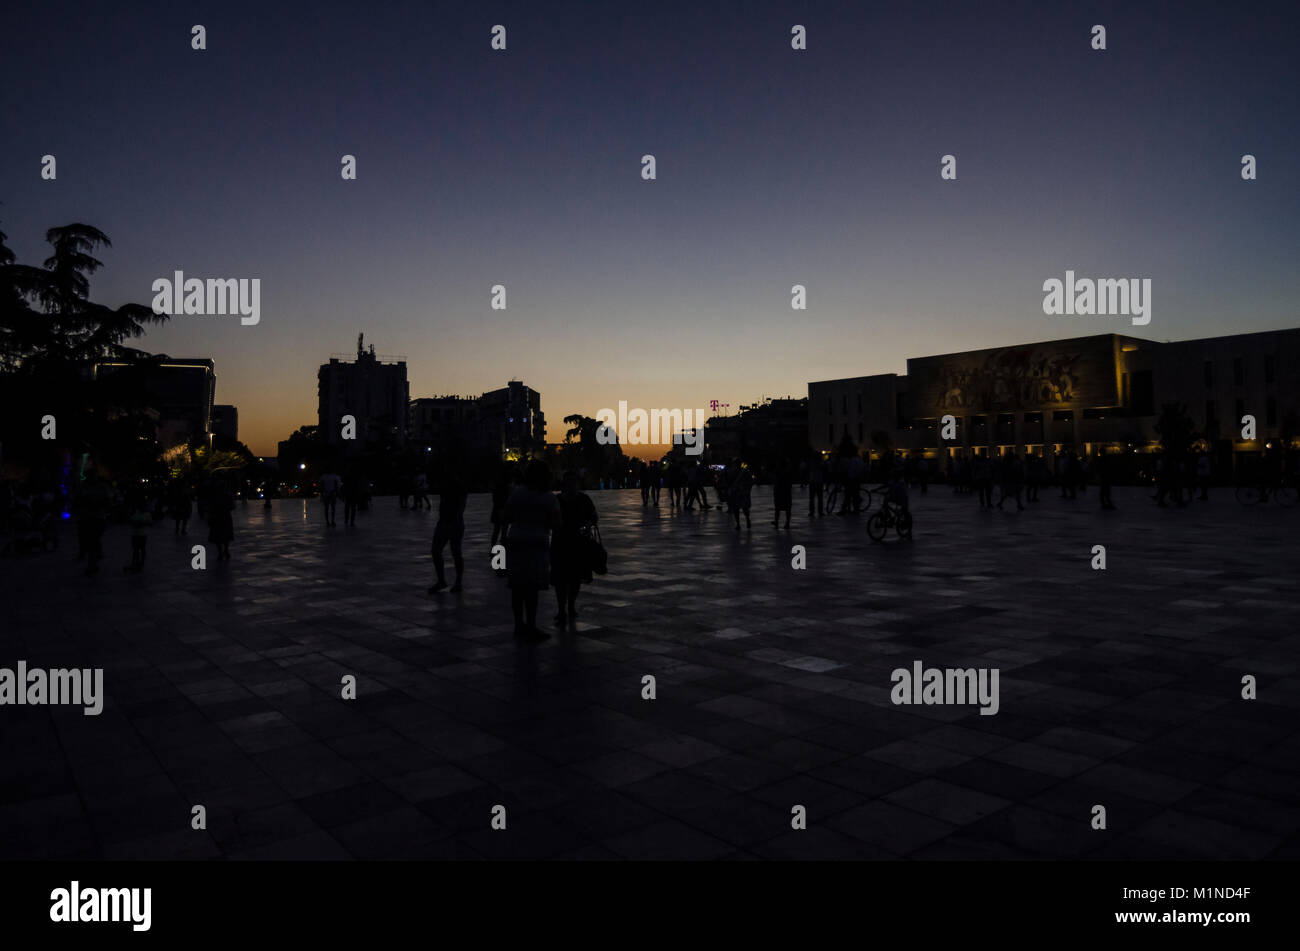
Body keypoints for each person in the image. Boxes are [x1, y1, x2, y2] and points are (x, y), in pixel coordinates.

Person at [504, 460, 561, 640]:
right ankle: (531, 625)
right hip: (537, 542)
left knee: (517, 587)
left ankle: (518, 625)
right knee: (532, 588)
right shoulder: (549, 498)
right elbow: (556, 523)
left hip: (516, 539)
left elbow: (507, 516)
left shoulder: (517, 493)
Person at [551, 471, 598, 624]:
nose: (571, 485)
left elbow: (594, 516)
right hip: (561, 543)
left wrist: (588, 524)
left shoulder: (584, 499)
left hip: (578, 542)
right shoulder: (557, 500)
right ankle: (561, 608)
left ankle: (570, 605)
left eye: (574, 482)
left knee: (575, 578)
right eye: (569, 482)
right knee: (561, 579)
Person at [428, 467, 468, 594]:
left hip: (453, 522)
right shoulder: (445, 485)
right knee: (436, 551)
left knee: (455, 552)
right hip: (444, 521)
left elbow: (461, 504)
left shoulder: (459, 486)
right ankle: (442, 581)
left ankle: (457, 582)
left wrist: (456, 517)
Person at [74, 468, 112, 576]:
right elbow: (77, 500)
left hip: (98, 517)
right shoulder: (83, 486)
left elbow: (108, 501)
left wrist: (100, 505)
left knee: (93, 540)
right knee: (90, 540)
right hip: (86, 517)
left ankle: (92, 563)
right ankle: (92, 560)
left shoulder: (102, 487)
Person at [208, 478, 235, 560]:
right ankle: (225, 550)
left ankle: (220, 552)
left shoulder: (214, 496)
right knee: (226, 535)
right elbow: (232, 506)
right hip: (225, 516)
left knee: (218, 536)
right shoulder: (227, 495)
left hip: (217, 517)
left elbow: (210, 507)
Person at [124, 491, 151, 572]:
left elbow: (150, 523)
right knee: (135, 549)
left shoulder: (147, 514)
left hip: (142, 534)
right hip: (135, 534)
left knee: (141, 549)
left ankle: (141, 563)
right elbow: (129, 521)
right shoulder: (135, 513)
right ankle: (135, 562)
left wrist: (142, 523)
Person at [729, 459, 753, 530]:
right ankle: (747, 520)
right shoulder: (745, 471)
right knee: (744, 508)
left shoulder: (733, 471)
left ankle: (738, 524)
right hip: (742, 492)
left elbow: (729, 481)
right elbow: (751, 481)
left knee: (736, 509)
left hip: (737, 491)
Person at [772, 459, 793, 529]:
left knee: (777, 508)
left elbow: (775, 481)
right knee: (787, 508)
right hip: (786, 491)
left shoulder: (778, 471)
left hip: (779, 491)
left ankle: (777, 522)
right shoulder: (788, 471)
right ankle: (787, 523)